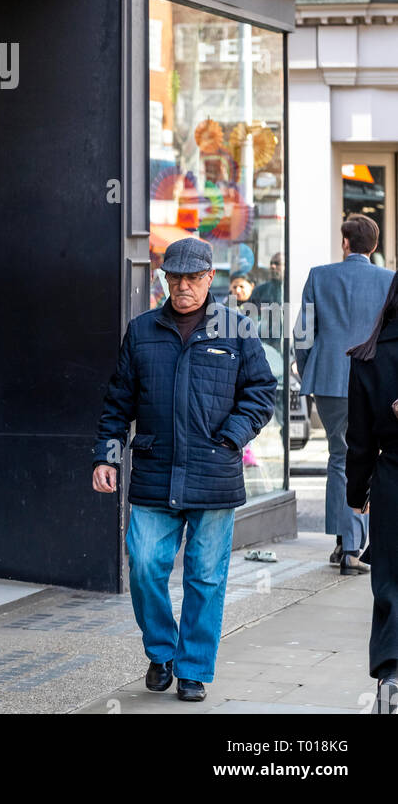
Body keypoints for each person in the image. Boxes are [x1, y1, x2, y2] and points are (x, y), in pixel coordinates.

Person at [92, 236, 276, 702]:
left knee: (205, 576)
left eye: (193, 278)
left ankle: (193, 668)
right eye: (175, 278)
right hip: (155, 469)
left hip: (214, 473)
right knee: (146, 565)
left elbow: (260, 392)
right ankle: (161, 651)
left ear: (210, 278)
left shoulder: (237, 327)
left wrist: (233, 437)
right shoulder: (142, 330)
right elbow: (118, 400)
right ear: (165, 279)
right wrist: (106, 455)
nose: (183, 287)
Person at [294, 214, 392, 573]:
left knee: (340, 457)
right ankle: (353, 545)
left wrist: (310, 372)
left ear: (345, 243)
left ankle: (345, 543)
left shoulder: (320, 276)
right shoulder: (389, 280)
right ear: (375, 247)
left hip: (331, 380)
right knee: (370, 455)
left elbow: (302, 334)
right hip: (375, 380)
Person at [346, 272, 398, 713]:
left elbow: (359, 442)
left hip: (391, 482)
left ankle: (391, 676)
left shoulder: (368, 357)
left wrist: (356, 492)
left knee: (391, 584)